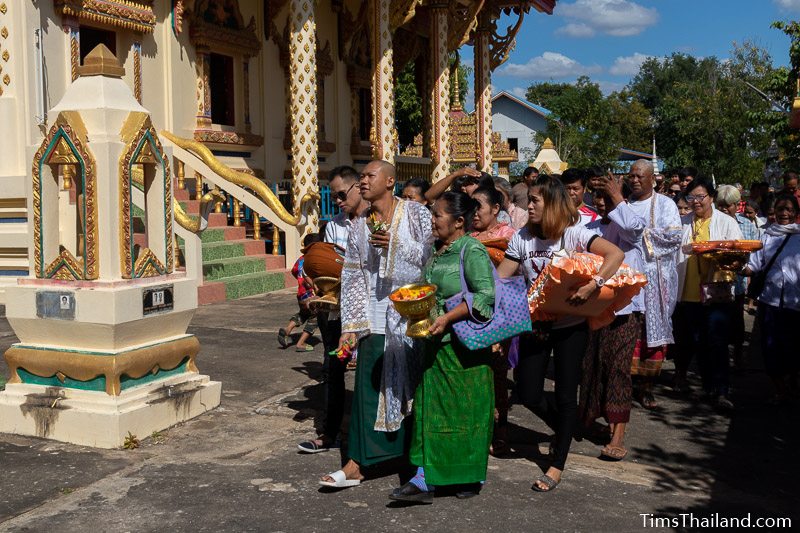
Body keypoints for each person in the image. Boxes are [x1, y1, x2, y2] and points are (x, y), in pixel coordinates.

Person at [497, 175, 624, 492]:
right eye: (529, 200)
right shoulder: (522, 238)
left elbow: (615, 256)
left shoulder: (574, 234)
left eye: (536, 200)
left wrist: (593, 284)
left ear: (552, 203)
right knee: (528, 393)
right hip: (535, 325)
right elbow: (501, 278)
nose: (529, 206)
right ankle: (565, 429)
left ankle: (556, 463)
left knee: (567, 395)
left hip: (571, 327)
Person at [319, 160, 432, 488]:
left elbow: (430, 259)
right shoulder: (359, 224)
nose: (363, 182)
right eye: (363, 176)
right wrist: (351, 326)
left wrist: (395, 245)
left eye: (370, 176)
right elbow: (353, 274)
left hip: (410, 314)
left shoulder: (416, 214)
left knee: (411, 391)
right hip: (374, 315)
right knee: (368, 394)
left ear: (390, 181)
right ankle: (356, 463)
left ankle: (413, 461)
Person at [390, 192, 496, 504]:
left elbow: (485, 296)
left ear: (459, 221)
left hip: (464, 349)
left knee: (466, 413)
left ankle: (467, 474)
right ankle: (424, 477)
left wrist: (448, 317)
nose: (432, 220)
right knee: (430, 412)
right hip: (433, 346)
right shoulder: (438, 251)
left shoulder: (472, 250)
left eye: (437, 215)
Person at [601, 160, 682, 409]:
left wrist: (640, 235)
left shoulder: (665, 204)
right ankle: (625, 384)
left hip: (655, 279)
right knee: (628, 331)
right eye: (631, 176)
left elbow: (673, 237)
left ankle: (646, 387)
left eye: (640, 176)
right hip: (627, 279)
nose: (634, 180)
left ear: (652, 179)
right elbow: (613, 239)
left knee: (650, 334)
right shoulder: (624, 206)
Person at [298, 166, 368, 454]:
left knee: (368, 368)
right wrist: (313, 285)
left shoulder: (375, 220)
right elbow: (324, 266)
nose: (338, 201)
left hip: (368, 309)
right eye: (334, 195)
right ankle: (329, 433)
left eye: (341, 194)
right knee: (334, 367)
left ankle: (368, 436)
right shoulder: (333, 227)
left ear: (357, 188)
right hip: (336, 310)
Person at [579, 176, 644, 461]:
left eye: (607, 196)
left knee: (618, 368)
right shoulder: (589, 228)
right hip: (593, 308)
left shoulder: (631, 223)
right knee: (592, 365)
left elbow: (632, 226)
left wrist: (618, 196)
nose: (601, 202)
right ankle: (589, 418)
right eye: (598, 196)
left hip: (625, 309)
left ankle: (618, 433)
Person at [673, 179, 743, 409]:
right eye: (691, 198)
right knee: (699, 341)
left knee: (718, 341)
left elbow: (739, 252)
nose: (696, 202)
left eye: (700, 197)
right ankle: (708, 388)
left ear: (711, 197)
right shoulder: (683, 223)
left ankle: (721, 391)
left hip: (716, 292)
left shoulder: (726, 223)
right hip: (690, 292)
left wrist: (719, 254)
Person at [469, 184, 516, 456]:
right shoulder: (467, 235)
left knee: (497, 373)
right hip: (470, 311)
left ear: (496, 209)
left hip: (499, 313)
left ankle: (500, 430)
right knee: (475, 372)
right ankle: (477, 428)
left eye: (480, 207)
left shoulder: (509, 236)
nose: (474, 213)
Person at [743, 193, 800, 404]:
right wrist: (733, 265)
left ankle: (792, 382)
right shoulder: (765, 237)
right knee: (770, 347)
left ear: (795, 213)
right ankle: (780, 390)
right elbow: (753, 266)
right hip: (770, 302)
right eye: (780, 209)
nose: (784, 213)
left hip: (796, 304)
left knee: (794, 347)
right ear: (773, 213)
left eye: (789, 209)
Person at [716, 185, 759, 369]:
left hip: (738, 282)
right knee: (718, 325)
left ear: (736, 205)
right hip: (716, 282)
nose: (725, 209)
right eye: (721, 205)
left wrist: (741, 265)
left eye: (728, 205)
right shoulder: (713, 222)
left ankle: (739, 358)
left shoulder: (747, 225)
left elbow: (753, 255)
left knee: (737, 323)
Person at [279, 233, 322, 352]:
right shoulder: (313, 259)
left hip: (301, 294)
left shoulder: (301, 259)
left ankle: (287, 330)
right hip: (311, 294)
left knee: (303, 314)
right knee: (315, 318)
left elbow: (294, 271)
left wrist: (300, 280)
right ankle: (301, 343)